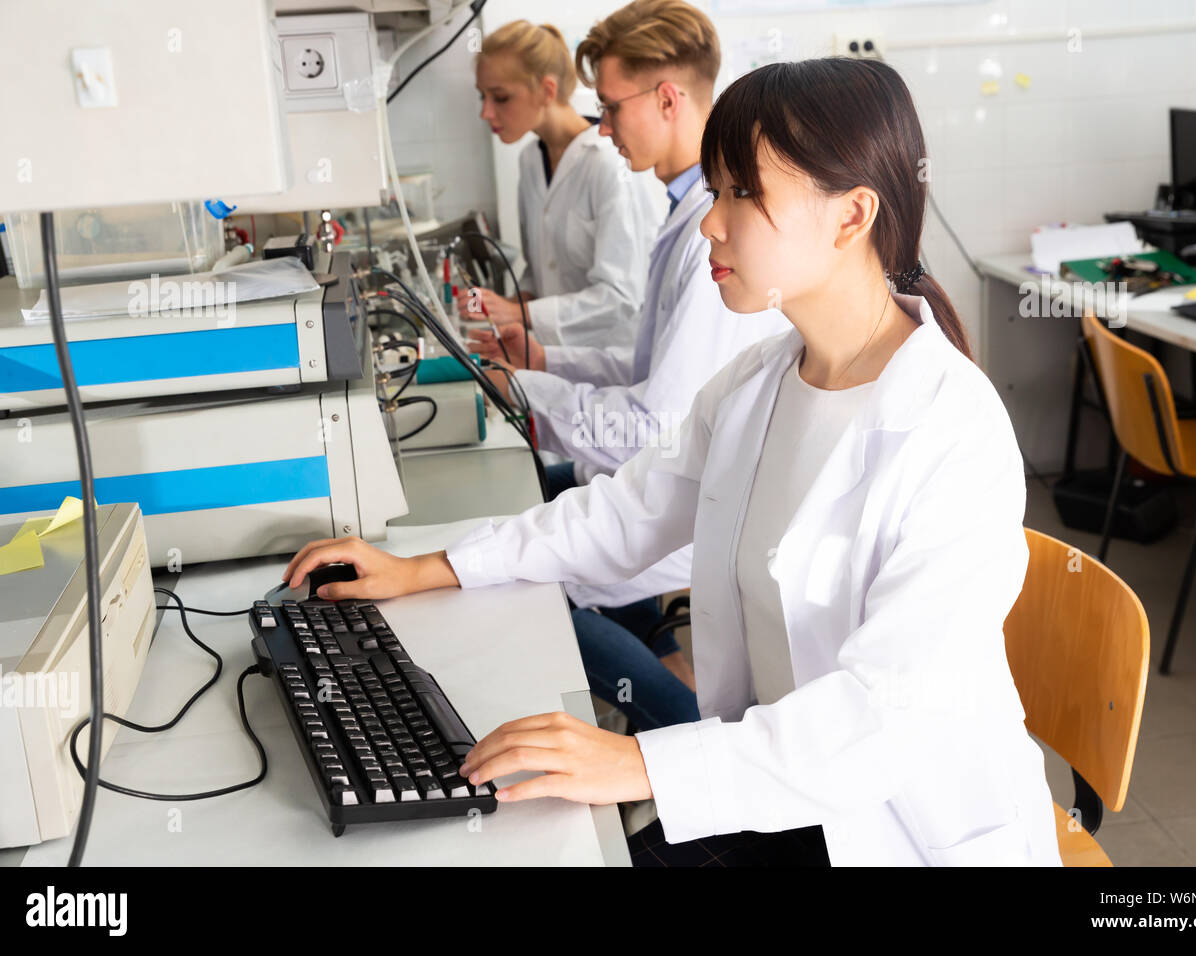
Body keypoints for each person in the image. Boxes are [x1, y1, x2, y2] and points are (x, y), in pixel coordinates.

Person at [284, 56, 1063, 866]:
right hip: (771, 794)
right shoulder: (761, 381)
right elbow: (628, 511)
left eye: (742, 193)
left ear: (850, 216)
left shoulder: (952, 431)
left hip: (894, 829)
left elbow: (882, 720)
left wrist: (639, 763)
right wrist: (431, 568)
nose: (710, 224)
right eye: (715, 191)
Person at [467, 0, 789, 726]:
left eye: (611, 108)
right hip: (675, 472)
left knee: (533, 590)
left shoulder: (713, 230)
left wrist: (530, 395)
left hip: (702, 502)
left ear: (668, 98)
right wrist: (544, 360)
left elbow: (651, 424)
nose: (603, 127)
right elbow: (650, 364)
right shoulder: (687, 209)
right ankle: (663, 693)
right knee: (523, 523)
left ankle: (677, 741)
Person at [470, 20, 659, 350]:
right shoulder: (531, 160)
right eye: (482, 96)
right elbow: (541, 272)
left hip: (614, 360)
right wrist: (501, 309)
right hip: (554, 356)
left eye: (500, 97)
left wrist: (520, 313)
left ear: (547, 90)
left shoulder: (609, 162)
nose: (486, 112)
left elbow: (621, 296)